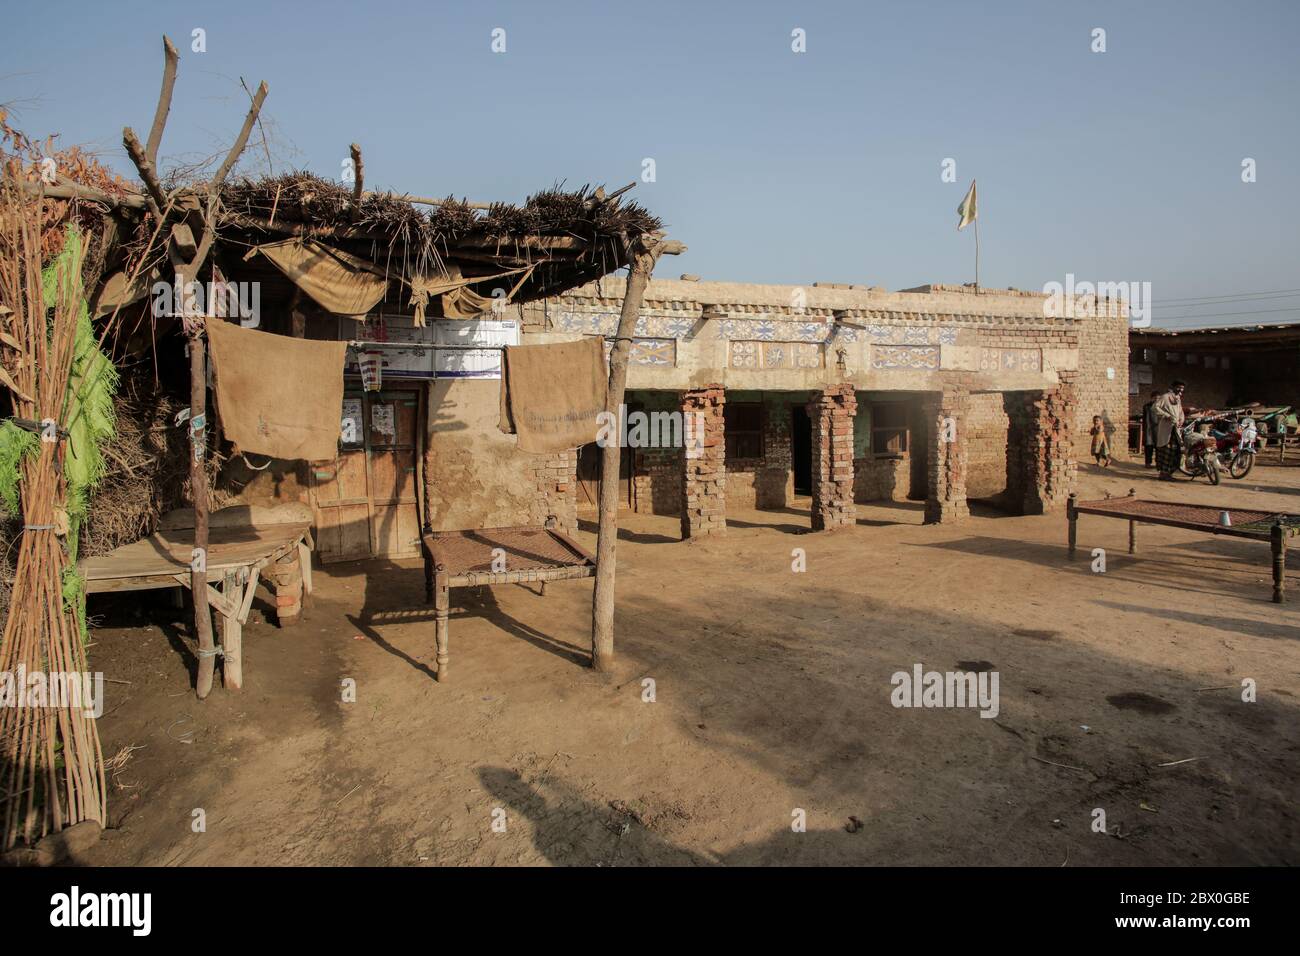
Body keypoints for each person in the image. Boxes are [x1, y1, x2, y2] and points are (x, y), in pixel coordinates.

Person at [1153, 380, 1186, 480]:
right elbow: (1155, 407)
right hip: (1166, 428)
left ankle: (1169, 472)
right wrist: (1166, 416)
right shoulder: (1165, 397)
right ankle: (1163, 473)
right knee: (1166, 449)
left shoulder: (1178, 399)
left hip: (1175, 428)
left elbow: (1180, 411)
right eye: (1179, 387)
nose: (1180, 390)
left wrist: (1181, 419)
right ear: (1174, 387)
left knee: (1175, 450)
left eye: (1182, 388)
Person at [1141, 390, 1161, 467]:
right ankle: (1148, 463)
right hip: (1148, 429)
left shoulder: (1161, 407)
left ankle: (1158, 463)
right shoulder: (1146, 406)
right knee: (1148, 446)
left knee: (1158, 447)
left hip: (1158, 429)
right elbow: (1145, 418)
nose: (1156, 400)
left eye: (1158, 398)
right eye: (1155, 398)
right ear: (1151, 398)